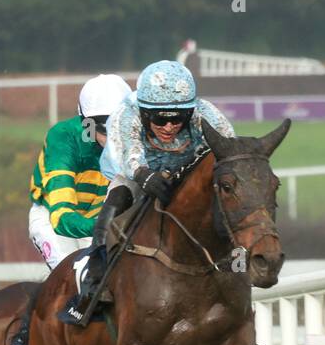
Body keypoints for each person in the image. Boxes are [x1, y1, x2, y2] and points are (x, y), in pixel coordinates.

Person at [70, 60, 237, 324]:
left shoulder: (206, 114)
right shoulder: (126, 115)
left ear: (190, 111)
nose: (169, 127)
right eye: (160, 119)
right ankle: (95, 274)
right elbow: (130, 158)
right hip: (135, 171)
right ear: (145, 113)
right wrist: (145, 176)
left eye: (177, 119)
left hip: (186, 169)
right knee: (119, 196)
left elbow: (231, 152)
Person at [28, 74, 132, 268]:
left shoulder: (136, 138)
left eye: (121, 128)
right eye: (106, 131)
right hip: (53, 220)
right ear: (87, 125)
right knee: (74, 277)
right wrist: (104, 225)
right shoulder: (64, 137)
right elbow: (61, 217)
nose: (116, 141)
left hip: (100, 217)